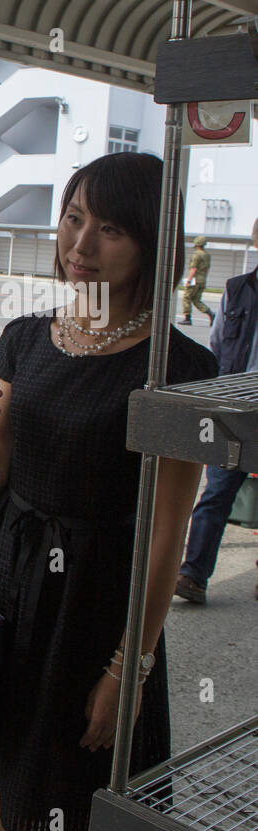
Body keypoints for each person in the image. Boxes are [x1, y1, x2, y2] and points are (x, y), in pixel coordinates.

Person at [0, 151, 217, 831]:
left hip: (96, 608)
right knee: (2, 779)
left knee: (77, 808)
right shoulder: (28, 338)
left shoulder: (177, 369)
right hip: (12, 593)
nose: (80, 245)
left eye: (111, 228)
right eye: (74, 218)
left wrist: (129, 668)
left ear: (153, 242)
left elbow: (167, 533)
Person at [175, 218, 258, 604]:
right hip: (235, 409)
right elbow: (220, 347)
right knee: (216, 493)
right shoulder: (237, 290)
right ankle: (193, 575)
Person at [178, 235, 216, 325]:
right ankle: (210, 313)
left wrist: (189, 280)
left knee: (186, 298)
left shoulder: (197, 254)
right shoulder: (207, 255)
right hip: (202, 280)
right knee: (196, 300)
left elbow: (194, 268)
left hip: (195, 279)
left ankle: (187, 318)